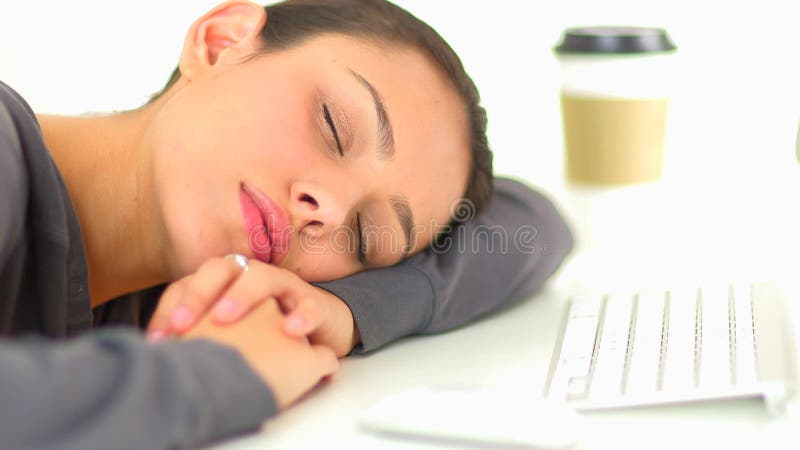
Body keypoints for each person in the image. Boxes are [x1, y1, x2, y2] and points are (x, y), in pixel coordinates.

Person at [0, 0, 573, 449]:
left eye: (364, 237)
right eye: (333, 127)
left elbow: (533, 226)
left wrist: (340, 312)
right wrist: (221, 373)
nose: (330, 209)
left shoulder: (174, 299)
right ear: (221, 42)